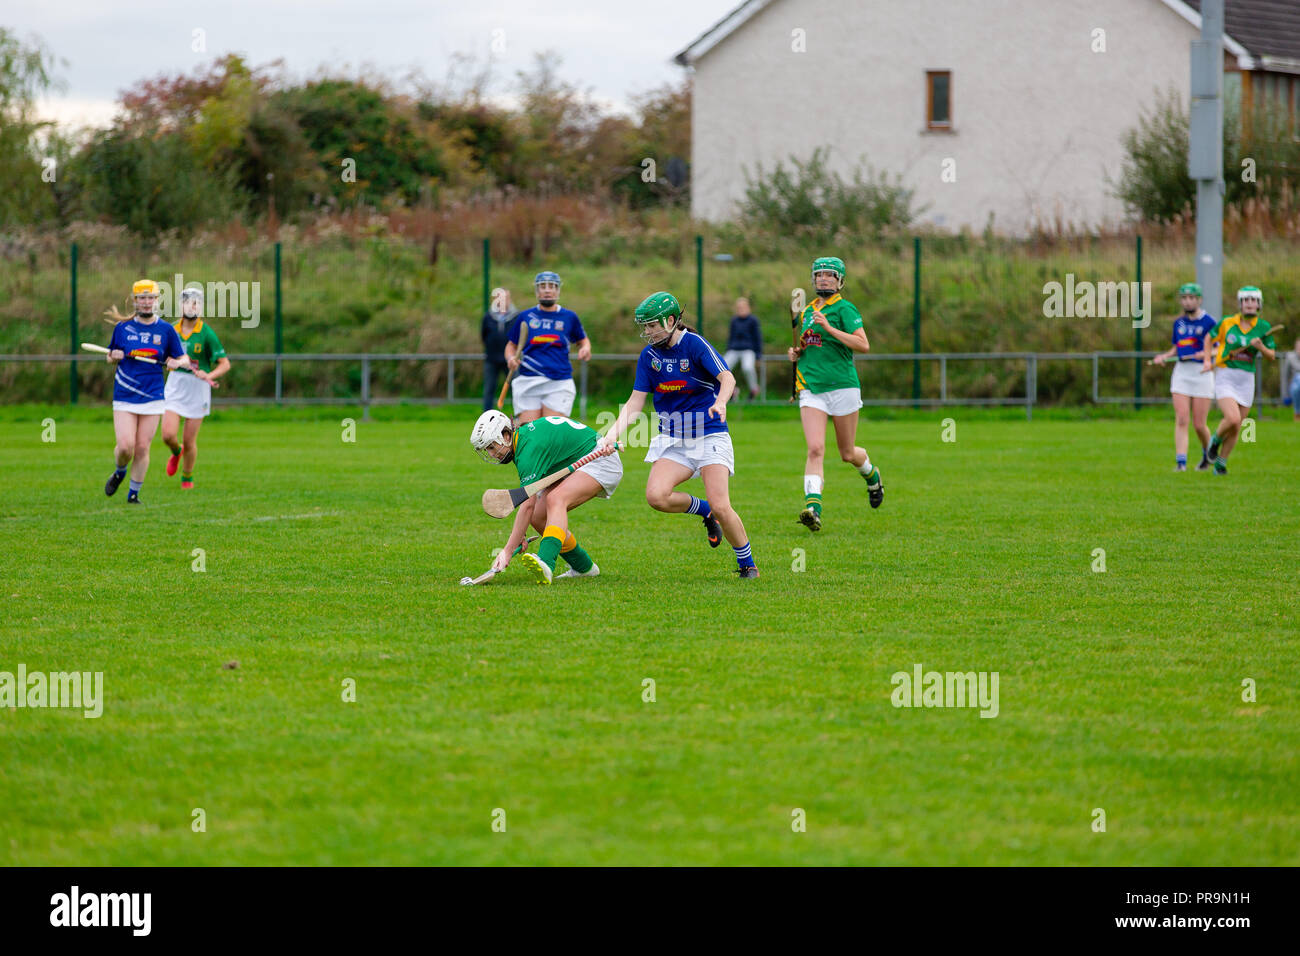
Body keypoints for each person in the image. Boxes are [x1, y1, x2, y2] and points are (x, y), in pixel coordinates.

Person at [598, 291, 759, 579]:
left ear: (671, 320)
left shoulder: (694, 345)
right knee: (657, 497)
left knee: (724, 505)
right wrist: (610, 435)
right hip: (674, 438)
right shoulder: (649, 355)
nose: (646, 332)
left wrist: (721, 402)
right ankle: (704, 511)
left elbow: (728, 377)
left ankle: (747, 564)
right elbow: (636, 402)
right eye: (644, 326)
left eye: (651, 326)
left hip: (710, 433)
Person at [470, 409, 622, 585]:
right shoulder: (523, 440)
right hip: (576, 461)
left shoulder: (528, 449)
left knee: (556, 499)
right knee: (538, 517)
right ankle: (584, 567)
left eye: (491, 447)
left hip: (600, 458)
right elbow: (530, 509)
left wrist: (507, 550)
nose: (491, 454)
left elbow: (527, 505)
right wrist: (519, 535)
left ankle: (546, 561)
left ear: (505, 436)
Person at [786, 256, 881, 531]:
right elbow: (808, 344)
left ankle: (873, 477)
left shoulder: (845, 309)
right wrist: (796, 352)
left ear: (840, 281)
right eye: (819, 275)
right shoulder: (806, 313)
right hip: (811, 387)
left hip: (843, 386)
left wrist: (829, 327)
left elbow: (863, 345)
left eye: (829, 275)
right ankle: (813, 509)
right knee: (815, 448)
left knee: (848, 452)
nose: (823, 279)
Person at [102, 279, 190, 503]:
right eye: (142, 298)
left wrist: (175, 363)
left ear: (157, 300)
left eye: (151, 298)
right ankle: (119, 472)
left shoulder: (166, 330)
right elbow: (109, 356)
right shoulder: (122, 328)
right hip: (125, 393)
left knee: (142, 447)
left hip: (153, 395)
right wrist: (114, 357)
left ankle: (133, 495)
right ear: (135, 301)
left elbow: (184, 358)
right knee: (125, 446)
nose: (147, 302)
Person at [161, 284, 230, 490]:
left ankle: (187, 478)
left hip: (198, 389)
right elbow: (163, 357)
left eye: (195, 303)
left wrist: (209, 375)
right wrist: (168, 361)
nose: (191, 307)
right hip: (175, 385)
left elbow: (225, 364)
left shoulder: (207, 333)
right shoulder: (171, 330)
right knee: (167, 435)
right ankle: (176, 452)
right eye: (187, 302)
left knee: (190, 440)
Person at [1203, 285, 1277, 474]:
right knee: (1233, 419)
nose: (1249, 304)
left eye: (1253, 300)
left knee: (1237, 428)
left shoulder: (1263, 327)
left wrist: (1260, 347)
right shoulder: (1227, 323)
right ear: (1240, 304)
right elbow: (1209, 338)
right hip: (1226, 374)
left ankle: (1221, 463)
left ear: (1259, 304)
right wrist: (1206, 360)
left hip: (1246, 379)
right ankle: (1215, 441)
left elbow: (1271, 356)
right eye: (1246, 300)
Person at [504, 271, 591, 423]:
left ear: (558, 290)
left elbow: (583, 340)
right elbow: (511, 346)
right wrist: (511, 358)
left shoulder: (569, 317)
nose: (547, 290)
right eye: (542, 286)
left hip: (559, 381)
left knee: (552, 432)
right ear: (537, 290)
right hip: (528, 380)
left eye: (552, 286)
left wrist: (585, 348)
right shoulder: (526, 316)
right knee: (528, 433)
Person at [1150, 282, 1216, 471]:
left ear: (1199, 300)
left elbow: (1218, 349)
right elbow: (1177, 347)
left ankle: (1207, 453)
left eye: (1191, 298)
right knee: (1181, 418)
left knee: (1199, 424)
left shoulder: (1209, 322)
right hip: (1182, 373)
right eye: (1184, 298)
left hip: (1202, 373)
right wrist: (1164, 356)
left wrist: (1204, 354)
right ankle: (1181, 463)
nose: (1187, 302)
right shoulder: (1178, 323)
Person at [480, 287, 516, 411]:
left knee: (515, 389)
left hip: (510, 361)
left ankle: (519, 416)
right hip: (492, 359)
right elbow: (484, 335)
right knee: (489, 389)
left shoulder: (516, 317)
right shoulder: (488, 317)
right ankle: (486, 418)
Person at [724, 297, 762, 401]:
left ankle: (753, 389)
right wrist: (728, 349)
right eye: (739, 307)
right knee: (723, 368)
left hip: (748, 349)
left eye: (743, 307)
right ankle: (732, 390)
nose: (740, 309)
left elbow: (757, 338)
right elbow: (730, 337)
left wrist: (758, 355)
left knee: (747, 368)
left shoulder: (753, 320)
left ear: (748, 307)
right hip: (734, 349)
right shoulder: (734, 320)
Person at [1280, 338, 1300, 421]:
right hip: (1294, 385)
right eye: (1298, 346)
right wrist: (1285, 394)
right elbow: (1285, 377)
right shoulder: (1290, 357)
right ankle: (1297, 413)